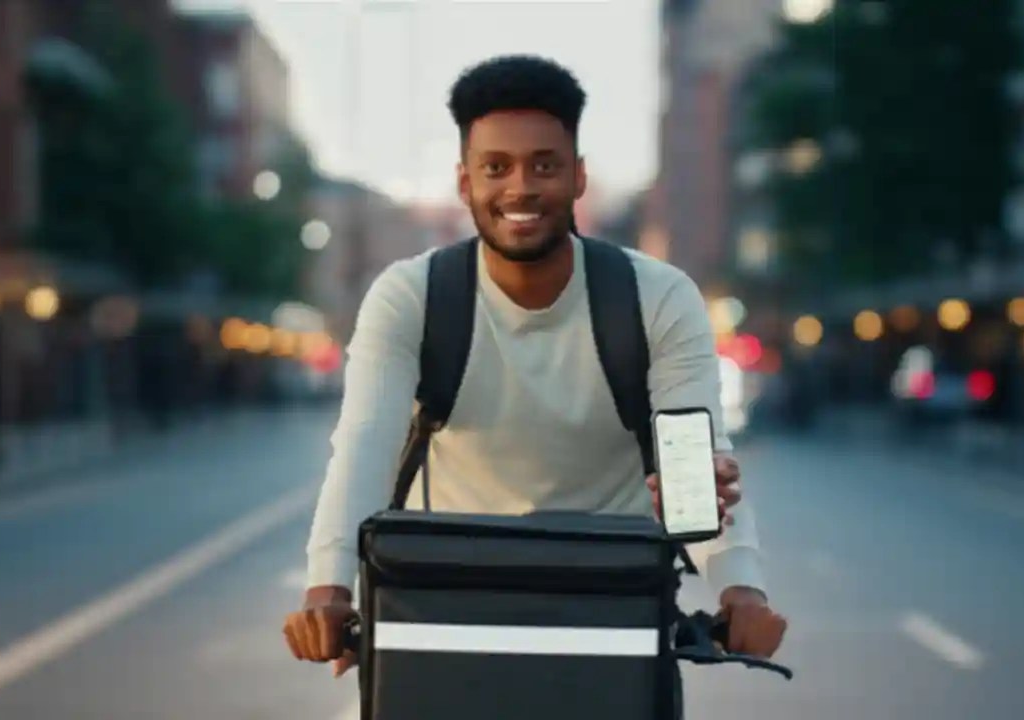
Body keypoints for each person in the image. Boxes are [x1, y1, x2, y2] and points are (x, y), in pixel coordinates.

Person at [283, 54, 787, 679]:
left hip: (612, 612)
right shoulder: (411, 296)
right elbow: (364, 447)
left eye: (544, 166)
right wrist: (328, 589)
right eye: (496, 168)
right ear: (465, 183)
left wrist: (742, 589)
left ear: (578, 178)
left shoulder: (656, 297)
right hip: (445, 608)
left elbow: (695, 463)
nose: (519, 188)